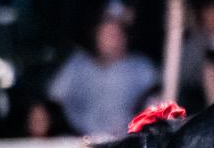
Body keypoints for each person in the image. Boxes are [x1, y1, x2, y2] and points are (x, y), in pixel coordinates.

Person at [47, 10, 159, 138]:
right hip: (80, 141)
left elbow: (158, 100)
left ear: (124, 38)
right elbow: (54, 100)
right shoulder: (76, 65)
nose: (109, 40)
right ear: (95, 36)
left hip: (127, 141)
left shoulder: (141, 67)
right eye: (104, 34)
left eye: (114, 35)